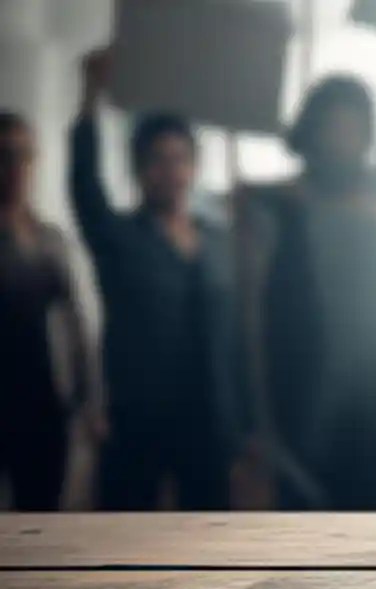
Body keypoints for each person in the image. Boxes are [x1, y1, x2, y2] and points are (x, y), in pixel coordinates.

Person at [240, 74, 376, 510]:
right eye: (334, 128)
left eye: (355, 129)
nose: (344, 140)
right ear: (313, 133)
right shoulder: (281, 206)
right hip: (304, 396)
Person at [69, 48, 243, 510]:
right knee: (126, 544)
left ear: (194, 165)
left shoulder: (218, 239)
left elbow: (239, 336)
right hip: (137, 417)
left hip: (208, 418)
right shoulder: (120, 238)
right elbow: (85, 187)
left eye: (180, 159)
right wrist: (89, 98)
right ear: (140, 169)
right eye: (158, 160)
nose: (171, 172)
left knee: (208, 541)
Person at [1, 112, 94, 511]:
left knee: (41, 516)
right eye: (5, 155)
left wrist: (90, 397)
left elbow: (77, 324)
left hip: (45, 402)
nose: (16, 167)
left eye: (24, 155)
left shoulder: (50, 240)